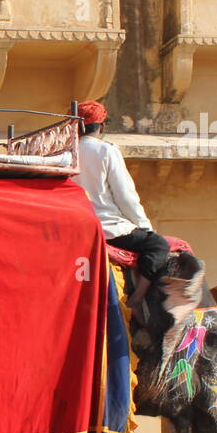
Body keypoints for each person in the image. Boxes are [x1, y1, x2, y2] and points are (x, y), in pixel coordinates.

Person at [72, 101, 169, 319]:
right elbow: (125, 196)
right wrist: (145, 226)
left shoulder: (62, 152)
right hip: (108, 228)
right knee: (158, 245)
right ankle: (136, 298)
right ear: (101, 126)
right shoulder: (106, 150)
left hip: (75, 227)